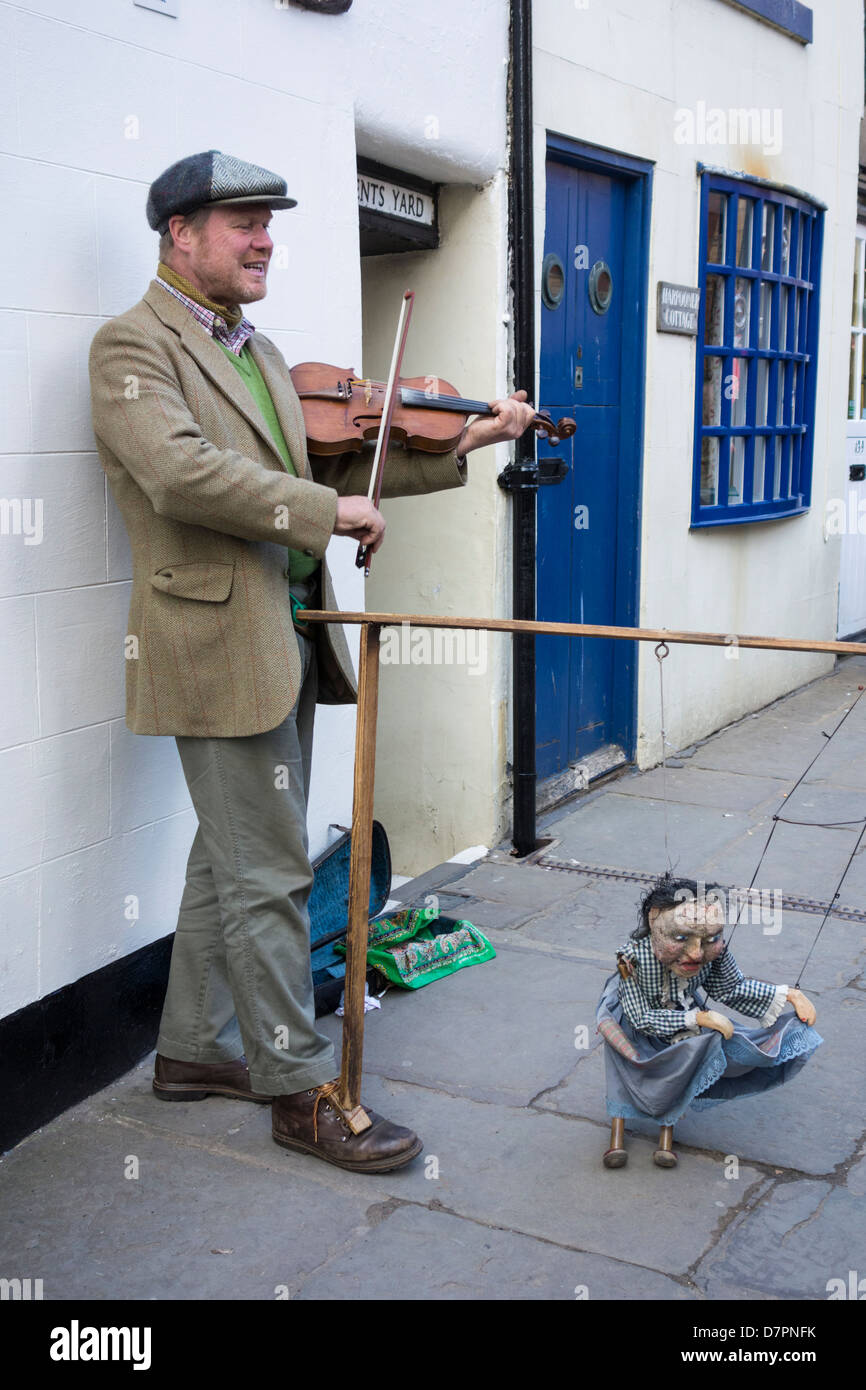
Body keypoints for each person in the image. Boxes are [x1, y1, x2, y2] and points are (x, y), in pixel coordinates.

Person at [88, 150, 536, 1173]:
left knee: (236, 855)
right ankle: (298, 1089)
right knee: (269, 871)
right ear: (179, 235)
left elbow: (331, 458)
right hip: (211, 642)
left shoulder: (261, 351)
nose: (263, 240)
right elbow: (179, 474)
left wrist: (471, 439)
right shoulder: (131, 348)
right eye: (241, 222)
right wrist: (326, 511)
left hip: (285, 633)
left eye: (268, 223)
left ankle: (195, 1051)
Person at [596, 873, 821, 1169]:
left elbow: (730, 987)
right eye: (680, 938)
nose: (696, 953)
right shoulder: (634, 960)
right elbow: (641, 1017)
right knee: (627, 1071)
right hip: (634, 1018)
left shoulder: (715, 952)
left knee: (679, 1071)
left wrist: (788, 995)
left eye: (709, 939)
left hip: (687, 1012)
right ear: (654, 922)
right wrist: (698, 1017)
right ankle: (617, 1136)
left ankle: (666, 1137)